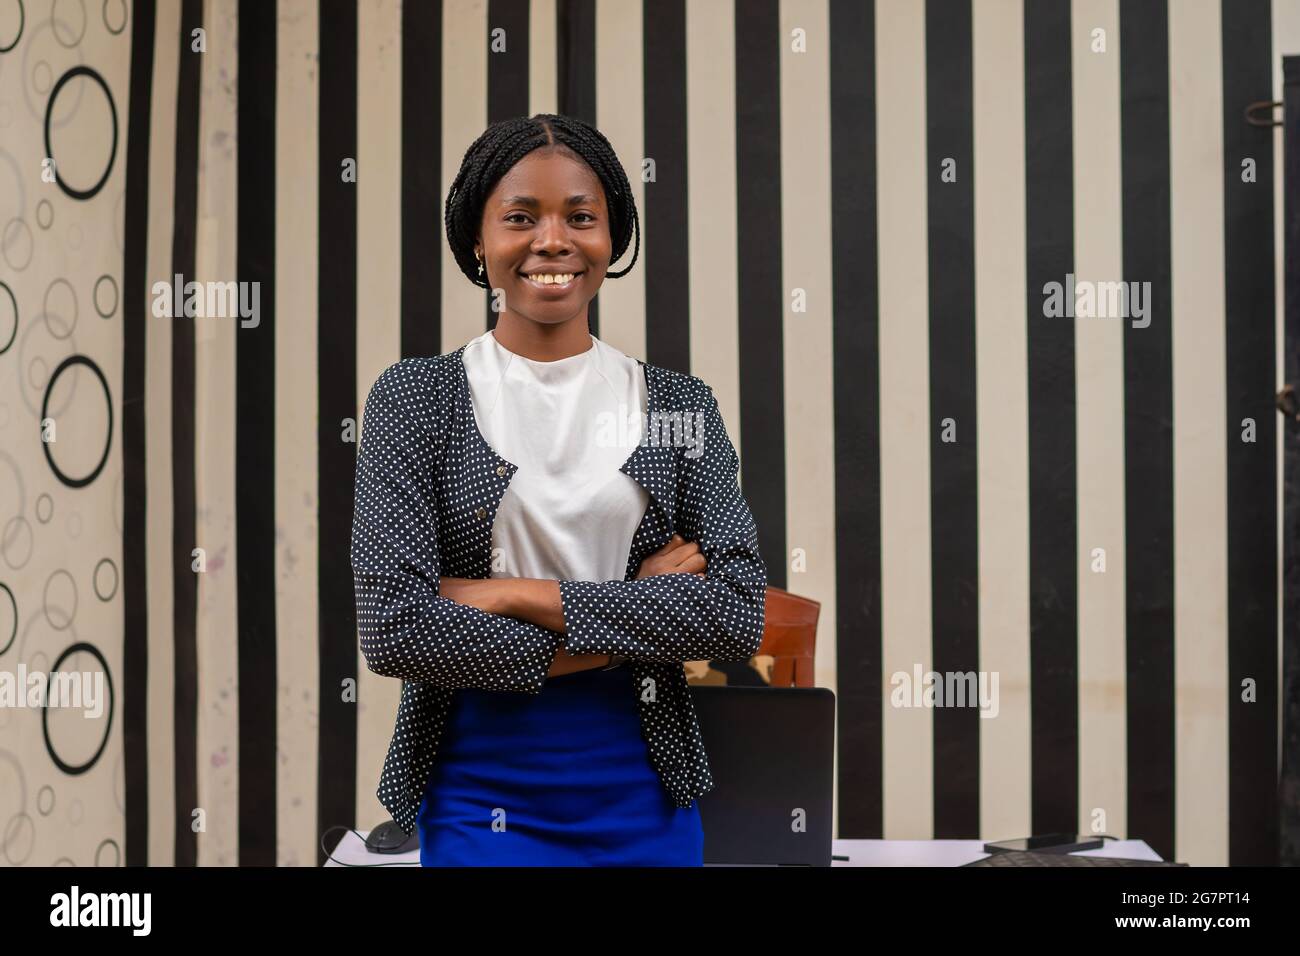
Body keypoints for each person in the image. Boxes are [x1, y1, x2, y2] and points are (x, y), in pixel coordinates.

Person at [351, 113, 767, 866]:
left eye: (582, 216)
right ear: (479, 240)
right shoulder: (417, 400)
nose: (553, 241)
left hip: (645, 782)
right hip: (481, 788)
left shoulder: (679, 407)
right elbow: (396, 629)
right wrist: (628, 620)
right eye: (520, 218)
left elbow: (736, 613)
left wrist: (511, 595)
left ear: (612, 236)